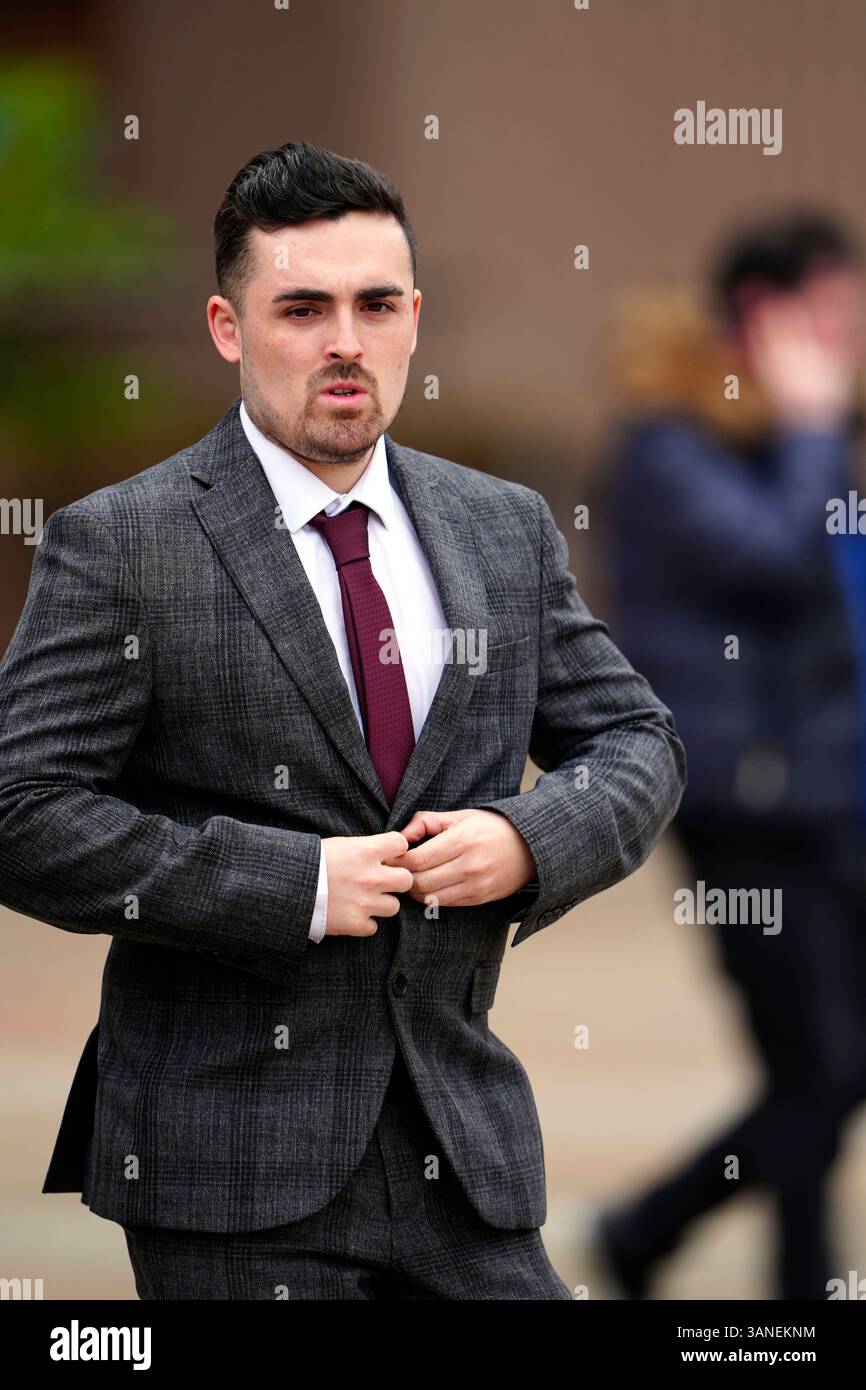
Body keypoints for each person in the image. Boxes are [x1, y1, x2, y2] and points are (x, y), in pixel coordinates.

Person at [0, 141, 685, 1301]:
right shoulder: (124, 542)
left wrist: (528, 840)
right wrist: (295, 885)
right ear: (227, 326)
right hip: (226, 1167)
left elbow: (640, 743)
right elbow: (23, 811)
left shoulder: (500, 527)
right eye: (302, 307)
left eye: (375, 305)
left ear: (414, 317)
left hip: (464, 1152)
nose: (344, 343)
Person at [601, 209, 866, 1300]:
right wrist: (814, 431)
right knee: (820, 1067)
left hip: (832, 799)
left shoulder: (786, 443)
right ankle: (676, 1241)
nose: (848, 338)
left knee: (817, 1068)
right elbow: (769, 559)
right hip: (745, 808)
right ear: (763, 315)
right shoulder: (668, 443)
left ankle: (686, 1243)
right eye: (832, 314)